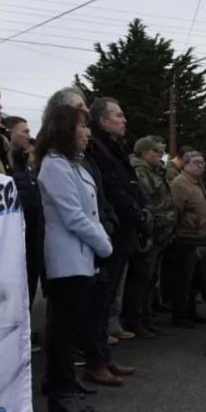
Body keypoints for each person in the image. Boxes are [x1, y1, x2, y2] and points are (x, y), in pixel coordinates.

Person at [35, 104, 112, 412]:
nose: (88, 133)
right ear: (67, 129)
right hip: (66, 258)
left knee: (70, 327)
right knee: (63, 331)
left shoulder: (72, 164)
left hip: (81, 256)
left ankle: (63, 383)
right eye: (82, 127)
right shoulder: (54, 165)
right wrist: (105, 244)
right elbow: (74, 216)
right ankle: (60, 396)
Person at [87, 97, 146, 347]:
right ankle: (97, 337)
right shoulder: (98, 149)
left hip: (125, 226)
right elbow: (113, 188)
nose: (124, 120)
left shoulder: (114, 147)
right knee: (106, 287)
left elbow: (129, 183)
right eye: (118, 115)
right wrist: (136, 213)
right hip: (114, 226)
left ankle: (109, 327)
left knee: (115, 285)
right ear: (102, 120)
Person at [126, 135, 174, 337]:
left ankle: (146, 317)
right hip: (149, 232)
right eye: (156, 151)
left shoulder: (156, 171)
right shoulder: (140, 171)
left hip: (160, 232)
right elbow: (145, 200)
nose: (160, 155)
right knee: (141, 279)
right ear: (145, 152)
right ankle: (135, 320)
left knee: (151, 278)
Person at [167, 151, 206, 327]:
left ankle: (191, 311)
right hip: (186, 238)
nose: (200, 165)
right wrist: (177, 231)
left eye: (202, 162)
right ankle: (179, 314)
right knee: (183, 279)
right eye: (196, 162)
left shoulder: (197, 182)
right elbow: (175, 210)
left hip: (200, 237)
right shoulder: (180, 184)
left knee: (195, 279)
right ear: (185, 164)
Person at [3, 115, 43, 306]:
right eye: (24, 131)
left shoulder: (24, 164)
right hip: (18, 243)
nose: (29, 136)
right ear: (10, 134)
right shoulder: (6, 166)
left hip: (32, 239)